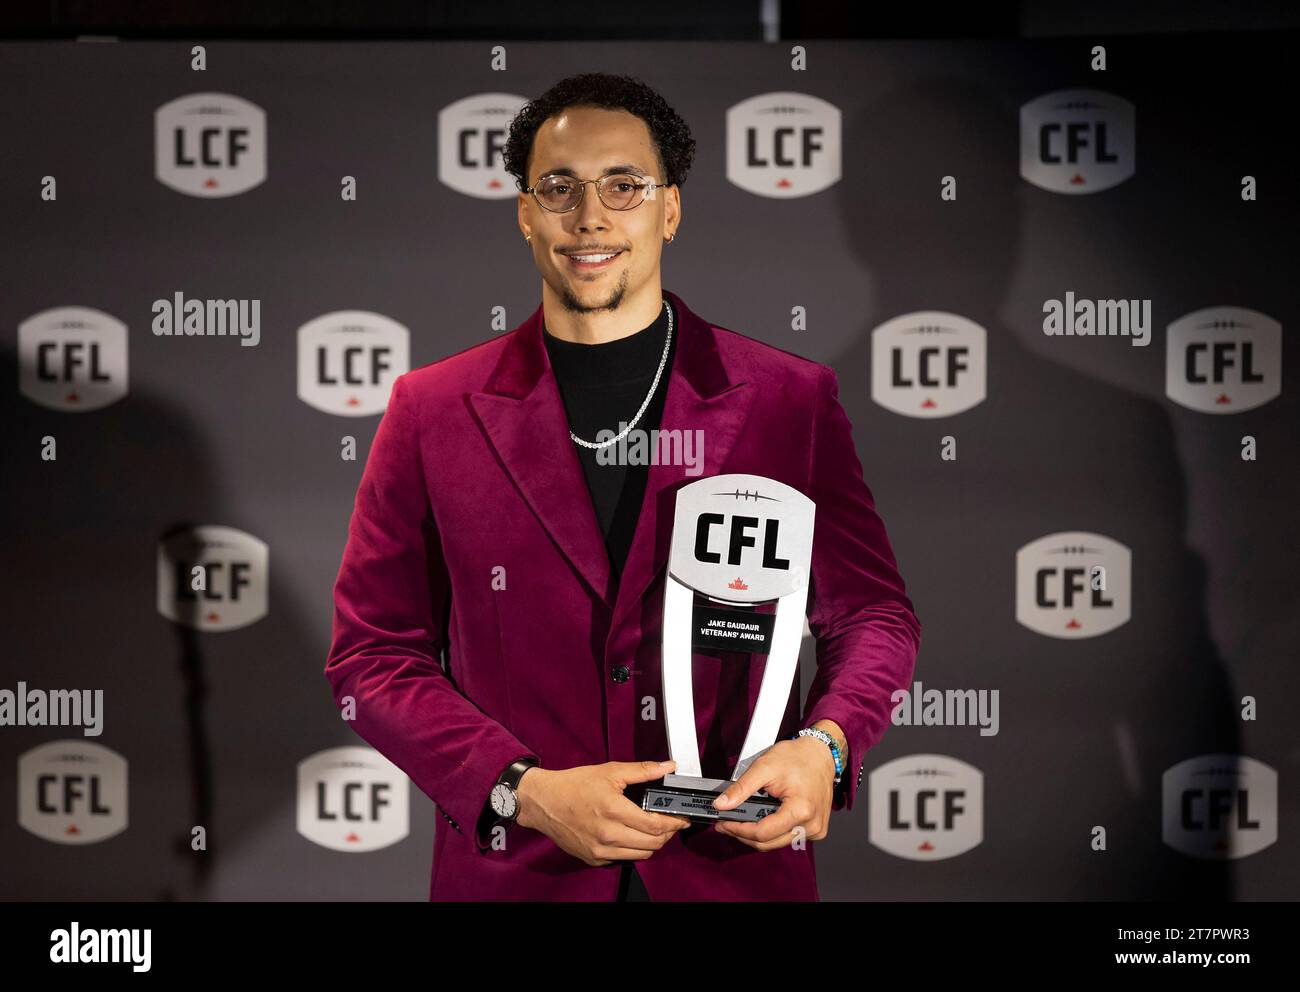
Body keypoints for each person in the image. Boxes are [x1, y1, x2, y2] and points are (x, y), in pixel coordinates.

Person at [324, 72, 921, 901]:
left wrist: (826, 745)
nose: (591, 216)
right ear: (525, 213)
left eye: (624, 186)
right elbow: (373, 655)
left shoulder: (789, 399)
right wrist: (524, 790)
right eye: (559, 188)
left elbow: (871, 615)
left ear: (670, 208)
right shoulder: (429, 411)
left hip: (734, 873)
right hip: (522, 877)